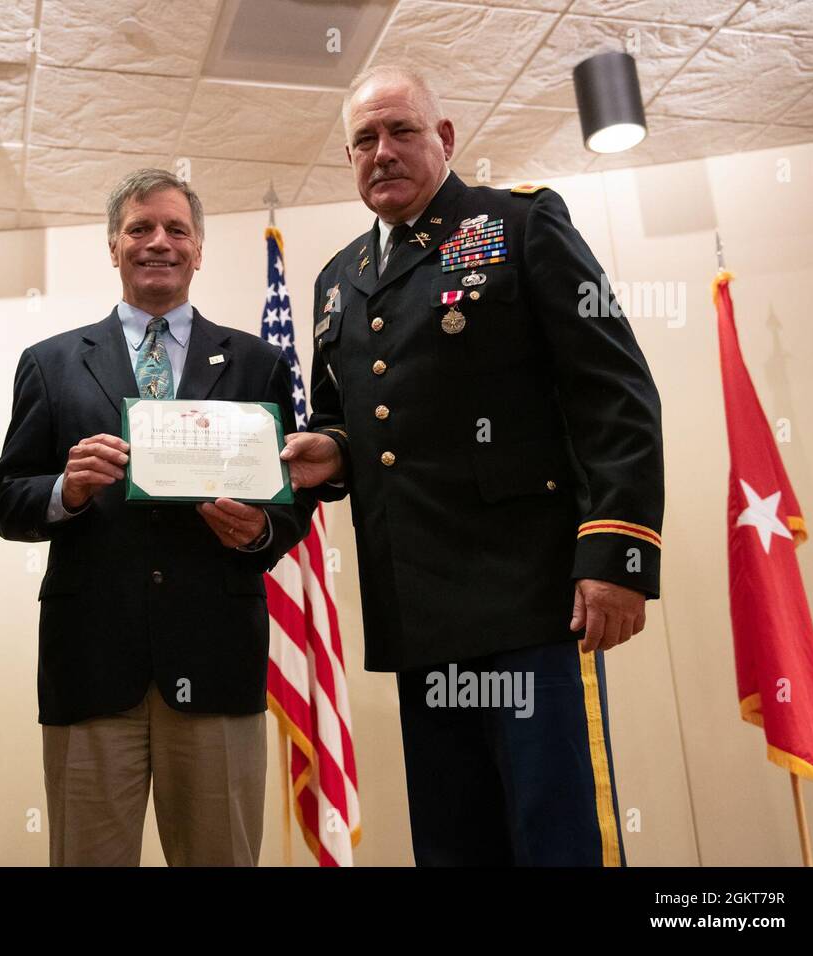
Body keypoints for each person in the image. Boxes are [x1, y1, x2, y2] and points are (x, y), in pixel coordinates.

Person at [281, 66, 664, 866]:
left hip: (528, 598)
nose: (381, 152)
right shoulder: (337, 280)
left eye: (402, 131)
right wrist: (335, 451)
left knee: (550, 830)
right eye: (363, 140)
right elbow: (364, 422)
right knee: (456, 840)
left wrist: (618, 553)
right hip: (417, 606)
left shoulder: (519, 224)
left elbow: (613, 390)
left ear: (445, 138)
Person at [0, 168, 312, 866]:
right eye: (140, 228)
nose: (158, 242)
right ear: (113, 246)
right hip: (90, 665)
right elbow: (5, 499)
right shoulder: (50, 364)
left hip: (218, 659)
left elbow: (292, 503)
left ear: (199, 250)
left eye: (176, 230)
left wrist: (259, 531)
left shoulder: (258, 362)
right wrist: (65, 492)